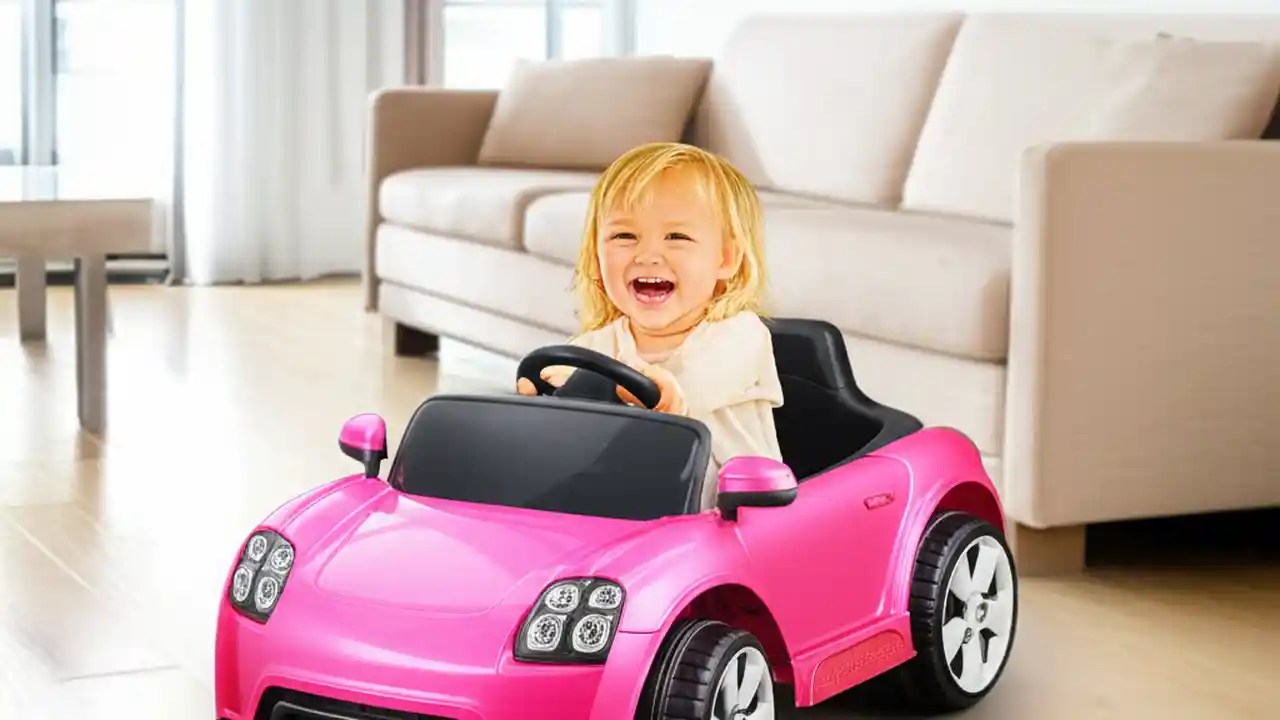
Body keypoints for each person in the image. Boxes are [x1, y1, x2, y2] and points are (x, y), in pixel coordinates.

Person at [516, 141, 784, 511]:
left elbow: (693, 387)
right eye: (624, 236)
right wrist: (540, 401)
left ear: (725, 259)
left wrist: (653, 390)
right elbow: (570, 406)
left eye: (677, 237)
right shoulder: (595, 346)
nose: (647, 255)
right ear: (596, 255)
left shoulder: (741, 335)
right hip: (630, 509)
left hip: (729, 517)